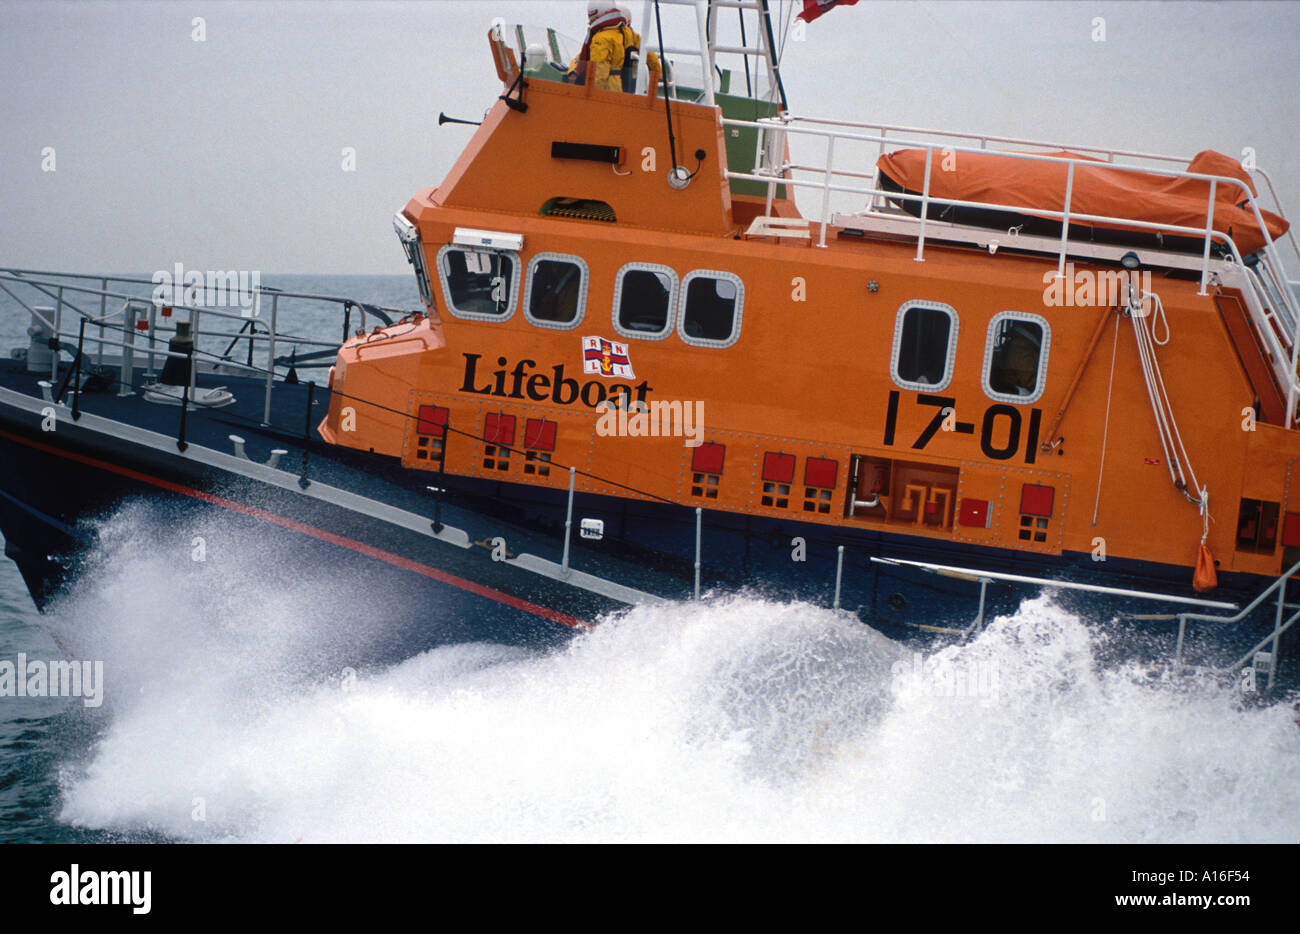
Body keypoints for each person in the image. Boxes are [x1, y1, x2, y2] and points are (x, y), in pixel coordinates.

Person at [566, 2, 662, 92]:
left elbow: (599, 73)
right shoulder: (630, 35)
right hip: (621, 85)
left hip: (608, 87)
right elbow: (650, 56)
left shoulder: (601, 39)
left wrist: (593, 93)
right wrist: (659, 75)